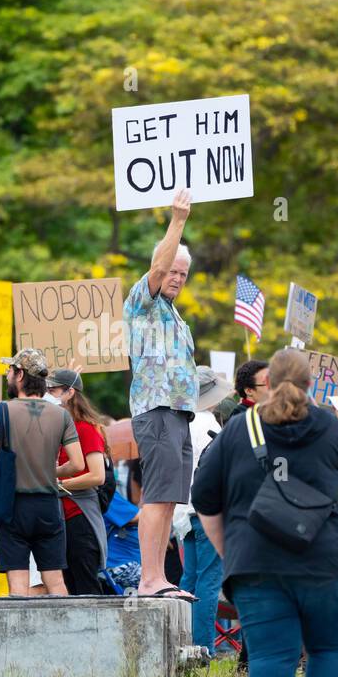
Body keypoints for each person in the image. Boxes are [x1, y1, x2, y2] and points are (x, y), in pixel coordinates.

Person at [191, 349, 338, 677]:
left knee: (271, 660)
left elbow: (203, 497)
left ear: (267, 383)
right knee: (329, 651)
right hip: (326, 562)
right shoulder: (329, 425)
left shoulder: (239, 428)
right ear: (312, 384)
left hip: (257, 565)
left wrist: (228, 552)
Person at [124, 188, 197, 600]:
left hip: (179, 414)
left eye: (184, 274)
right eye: (173, 270)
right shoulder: (144, 302)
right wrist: (178, 219)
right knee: (156, 494)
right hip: (156, 412)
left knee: (170, 498)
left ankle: (158, 577)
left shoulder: (177, 319)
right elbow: (157, 266)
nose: (176, 277)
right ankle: (149, 578)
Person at [0, 349, 84, 596]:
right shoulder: (60, 414)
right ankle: (66, 633)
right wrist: (50, 471)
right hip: (48, 504)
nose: (7, 375)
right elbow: (77, 465)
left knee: (18, 584)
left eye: (10, 371)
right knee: (55, 580)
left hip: (12, 506)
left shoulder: (2, 411)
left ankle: (21, 636)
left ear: (20, 374)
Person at [175, 367, 232, 647]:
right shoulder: (210, 423)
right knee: (209, 581)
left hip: (181, 509)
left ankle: (181, 643)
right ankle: (203, 648)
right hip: (205, 511)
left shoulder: (181, 420)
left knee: (190, 580)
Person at [49, 368, 112, 598]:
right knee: (69, 587)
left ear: (70, 392)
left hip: (80, 516)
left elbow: (97, 476)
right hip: (59, 516)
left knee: (86, 589)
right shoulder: (56, 428)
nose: (47, 394)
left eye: (52, 390)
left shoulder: (85, 429)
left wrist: (56, 484)